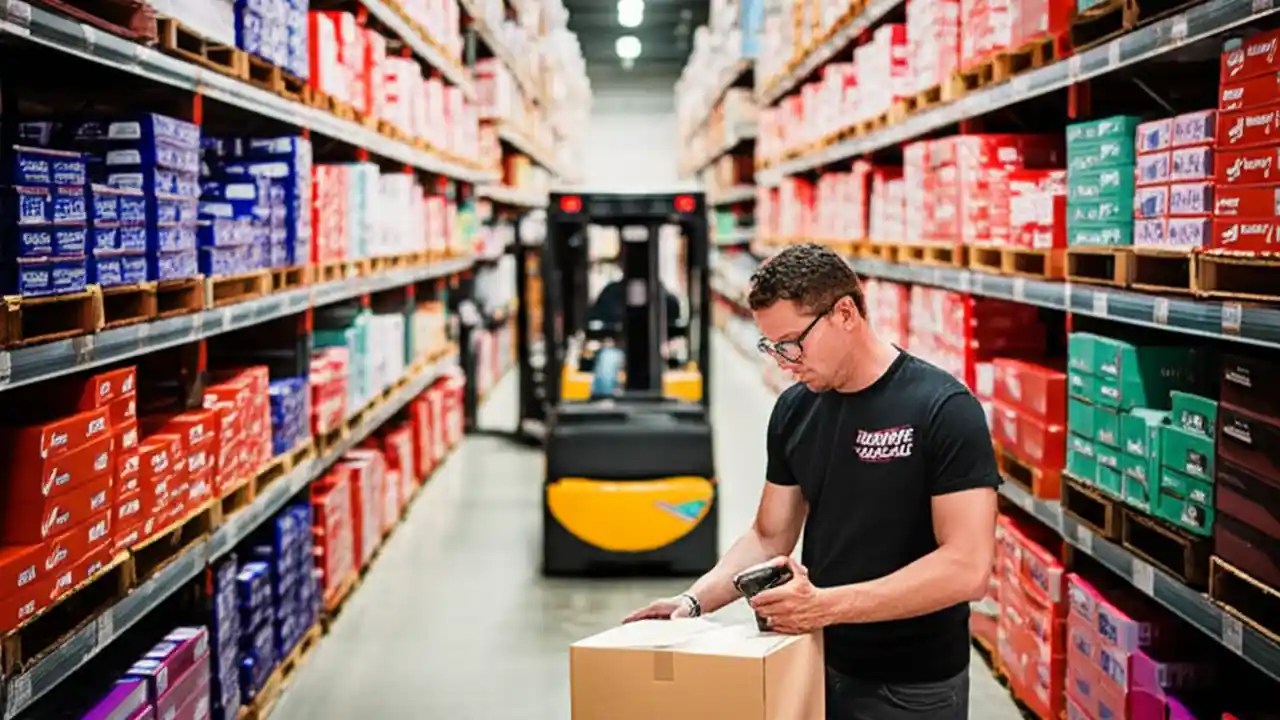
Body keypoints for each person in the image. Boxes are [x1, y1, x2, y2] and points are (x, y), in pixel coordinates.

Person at [623, 243, 1000, 720]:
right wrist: (693, 602)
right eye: (771, 346)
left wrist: (826, 606)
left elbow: (967, 567)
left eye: (791, 342)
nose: (783, 361)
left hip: (910, 684)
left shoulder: (943, 409)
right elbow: (768, 535)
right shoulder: (795, 409)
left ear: (845, 313)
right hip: (815, 662)